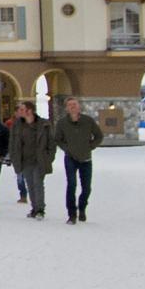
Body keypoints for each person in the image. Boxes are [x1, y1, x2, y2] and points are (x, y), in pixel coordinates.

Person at [53, 95, 105, 224]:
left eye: (74, 104)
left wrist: (90, 146)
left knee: (86, 187)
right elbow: (58, 139)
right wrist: (66, 148)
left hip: (86, 158)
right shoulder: (62, 123)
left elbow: (99, 136)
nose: (73, 107)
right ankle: (72, 214)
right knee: (71, 185)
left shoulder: (88, 121)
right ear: (66, 109)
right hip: (70, 158)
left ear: (79, 106)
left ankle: (82, 208)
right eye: (70, 105)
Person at [8, 100, 54, 219]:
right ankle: (34, 208)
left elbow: (51, 143)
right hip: (25, 160)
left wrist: (49, 157)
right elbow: (13, 143)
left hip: (40, 159)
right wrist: (14, 157)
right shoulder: (17, 125)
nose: (20, 112)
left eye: (22, 109)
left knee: (38, 183)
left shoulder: (44, 124)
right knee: (30, 184)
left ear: (30, 110)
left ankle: (40, 209)